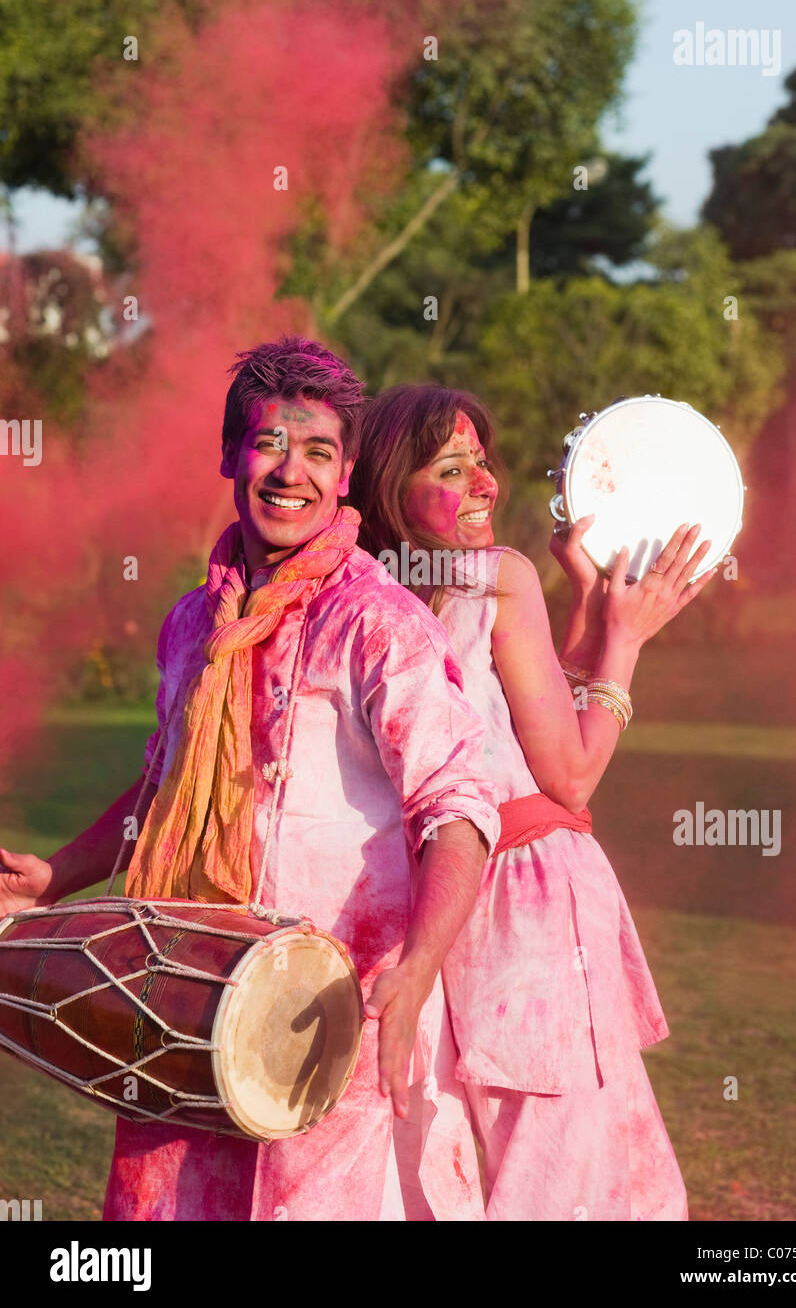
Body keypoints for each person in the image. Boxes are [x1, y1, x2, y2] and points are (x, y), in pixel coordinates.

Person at [0, 338, 501, 1222]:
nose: (288, 472)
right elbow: (163, 785)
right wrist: (56, 876)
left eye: (316, 452)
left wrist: (420, 964)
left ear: (345, 473)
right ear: (231, 454)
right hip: (186, 994)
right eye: (270, 444)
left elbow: (457, 809)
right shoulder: (194, 621)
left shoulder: (379, 625)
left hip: (331, 1013)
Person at [349, 382, 718, 1221]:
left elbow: (516, 719)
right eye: (453, 468)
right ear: (391, 488)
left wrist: (589, 614)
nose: (485, 484)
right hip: (529, 905)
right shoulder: (497, 579)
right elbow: (571, 773)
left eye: (483, 463)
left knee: (458, 1168)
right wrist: (626, 641)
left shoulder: (373, 599)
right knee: (574, 1172)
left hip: (434, 908)